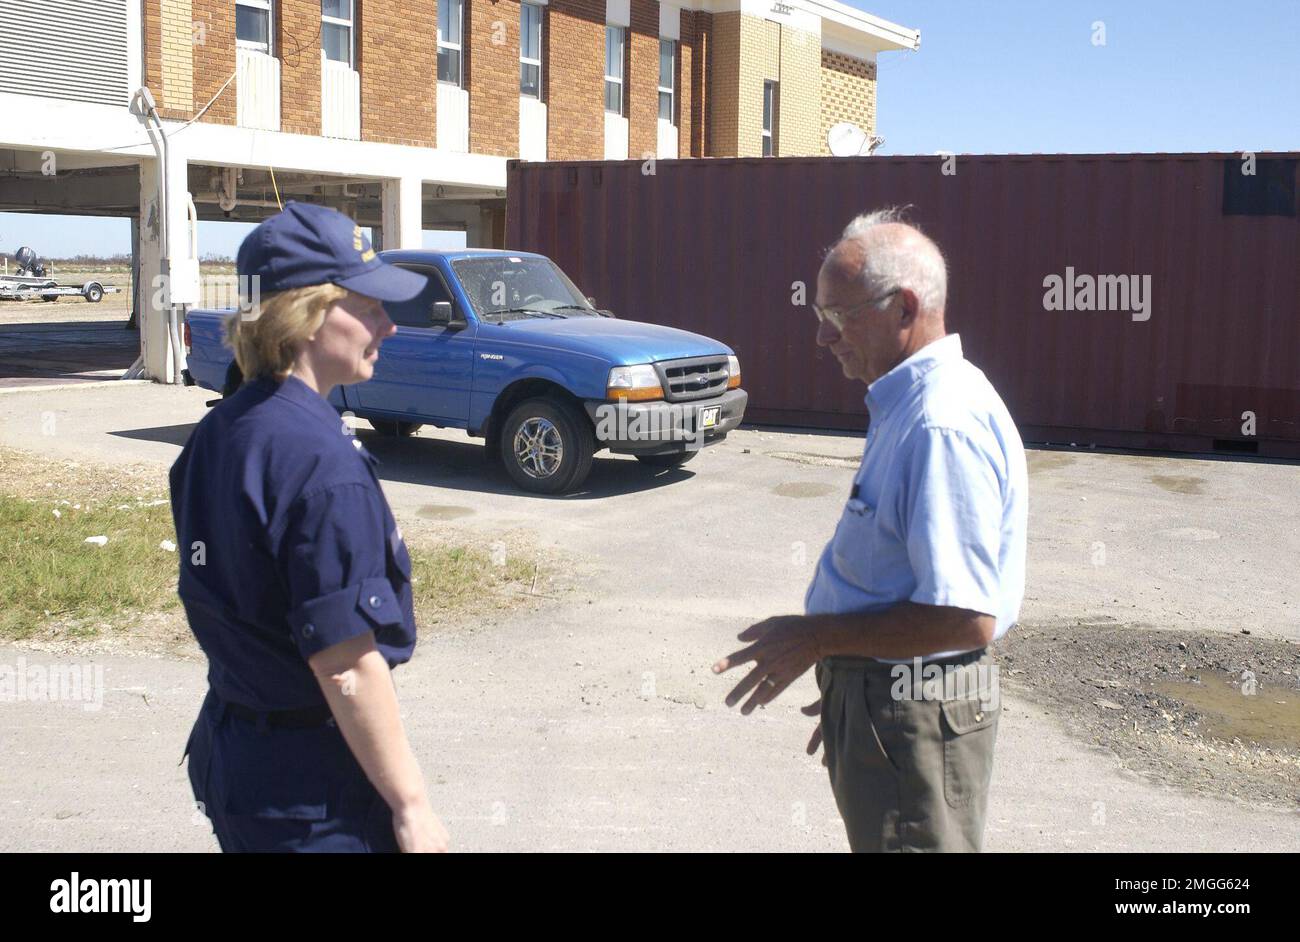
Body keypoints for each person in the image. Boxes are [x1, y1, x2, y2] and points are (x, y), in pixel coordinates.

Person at [714, 208, 1027, 852]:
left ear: (903, 308)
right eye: (818, 317)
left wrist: (821, 640)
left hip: (912, 708)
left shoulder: (941, 424)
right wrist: (854, 687)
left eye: (837, 317)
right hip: (895, 700)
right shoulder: (908, 403)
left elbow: (968, 618)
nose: (823, 340)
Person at [172, 201, 449, 852]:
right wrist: (411, 805)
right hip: (311, 792)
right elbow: (347, 664)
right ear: (305, 316)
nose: (390, 327)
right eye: (370, 306)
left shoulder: (220, 431)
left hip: (235, 752)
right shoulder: (321, 462)